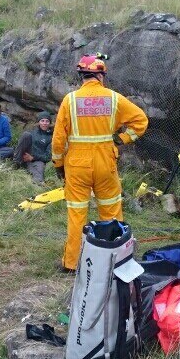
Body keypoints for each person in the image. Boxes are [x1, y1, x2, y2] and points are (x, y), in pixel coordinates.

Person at [52, 53, 148, 272]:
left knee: (77, 214)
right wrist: (122, 139)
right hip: (106, 162)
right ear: (101, 75)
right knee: (112, 212)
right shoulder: (114, 98)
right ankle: (115, 260)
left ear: (82, 76)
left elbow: (58, 139)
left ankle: (72, 263)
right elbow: (141, 121)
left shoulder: (70, 100)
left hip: (76, 165)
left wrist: (58, 164)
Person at [13, 111, 53, 184]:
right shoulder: (32, 132)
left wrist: (32, 157)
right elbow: (21, 145)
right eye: (42, 121)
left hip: (36, 160)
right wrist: (22, 154)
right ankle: (16, 163)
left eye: (47, 121)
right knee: (26, 135)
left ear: (50, 123)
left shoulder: (51, 137)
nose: (44, 123)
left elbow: (47, 157)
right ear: (39, 122)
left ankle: (37, 182)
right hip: (23, 155)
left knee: (39, 172)